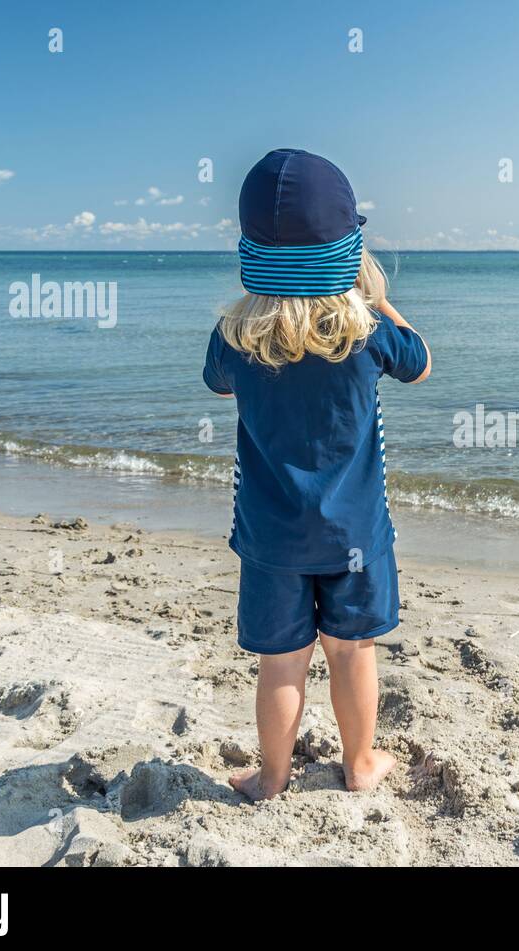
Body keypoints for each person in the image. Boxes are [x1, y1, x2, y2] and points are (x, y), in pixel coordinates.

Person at [202, 149, 431, 799]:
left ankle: (271, 777)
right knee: (352, 652)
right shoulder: (365, 331)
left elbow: (220, 386)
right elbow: (420, 364)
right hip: (355, 533)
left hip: (271, 535)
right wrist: (383, 304)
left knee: (281, 662)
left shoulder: (235, 334)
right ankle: (359, 766)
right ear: (347, 252)